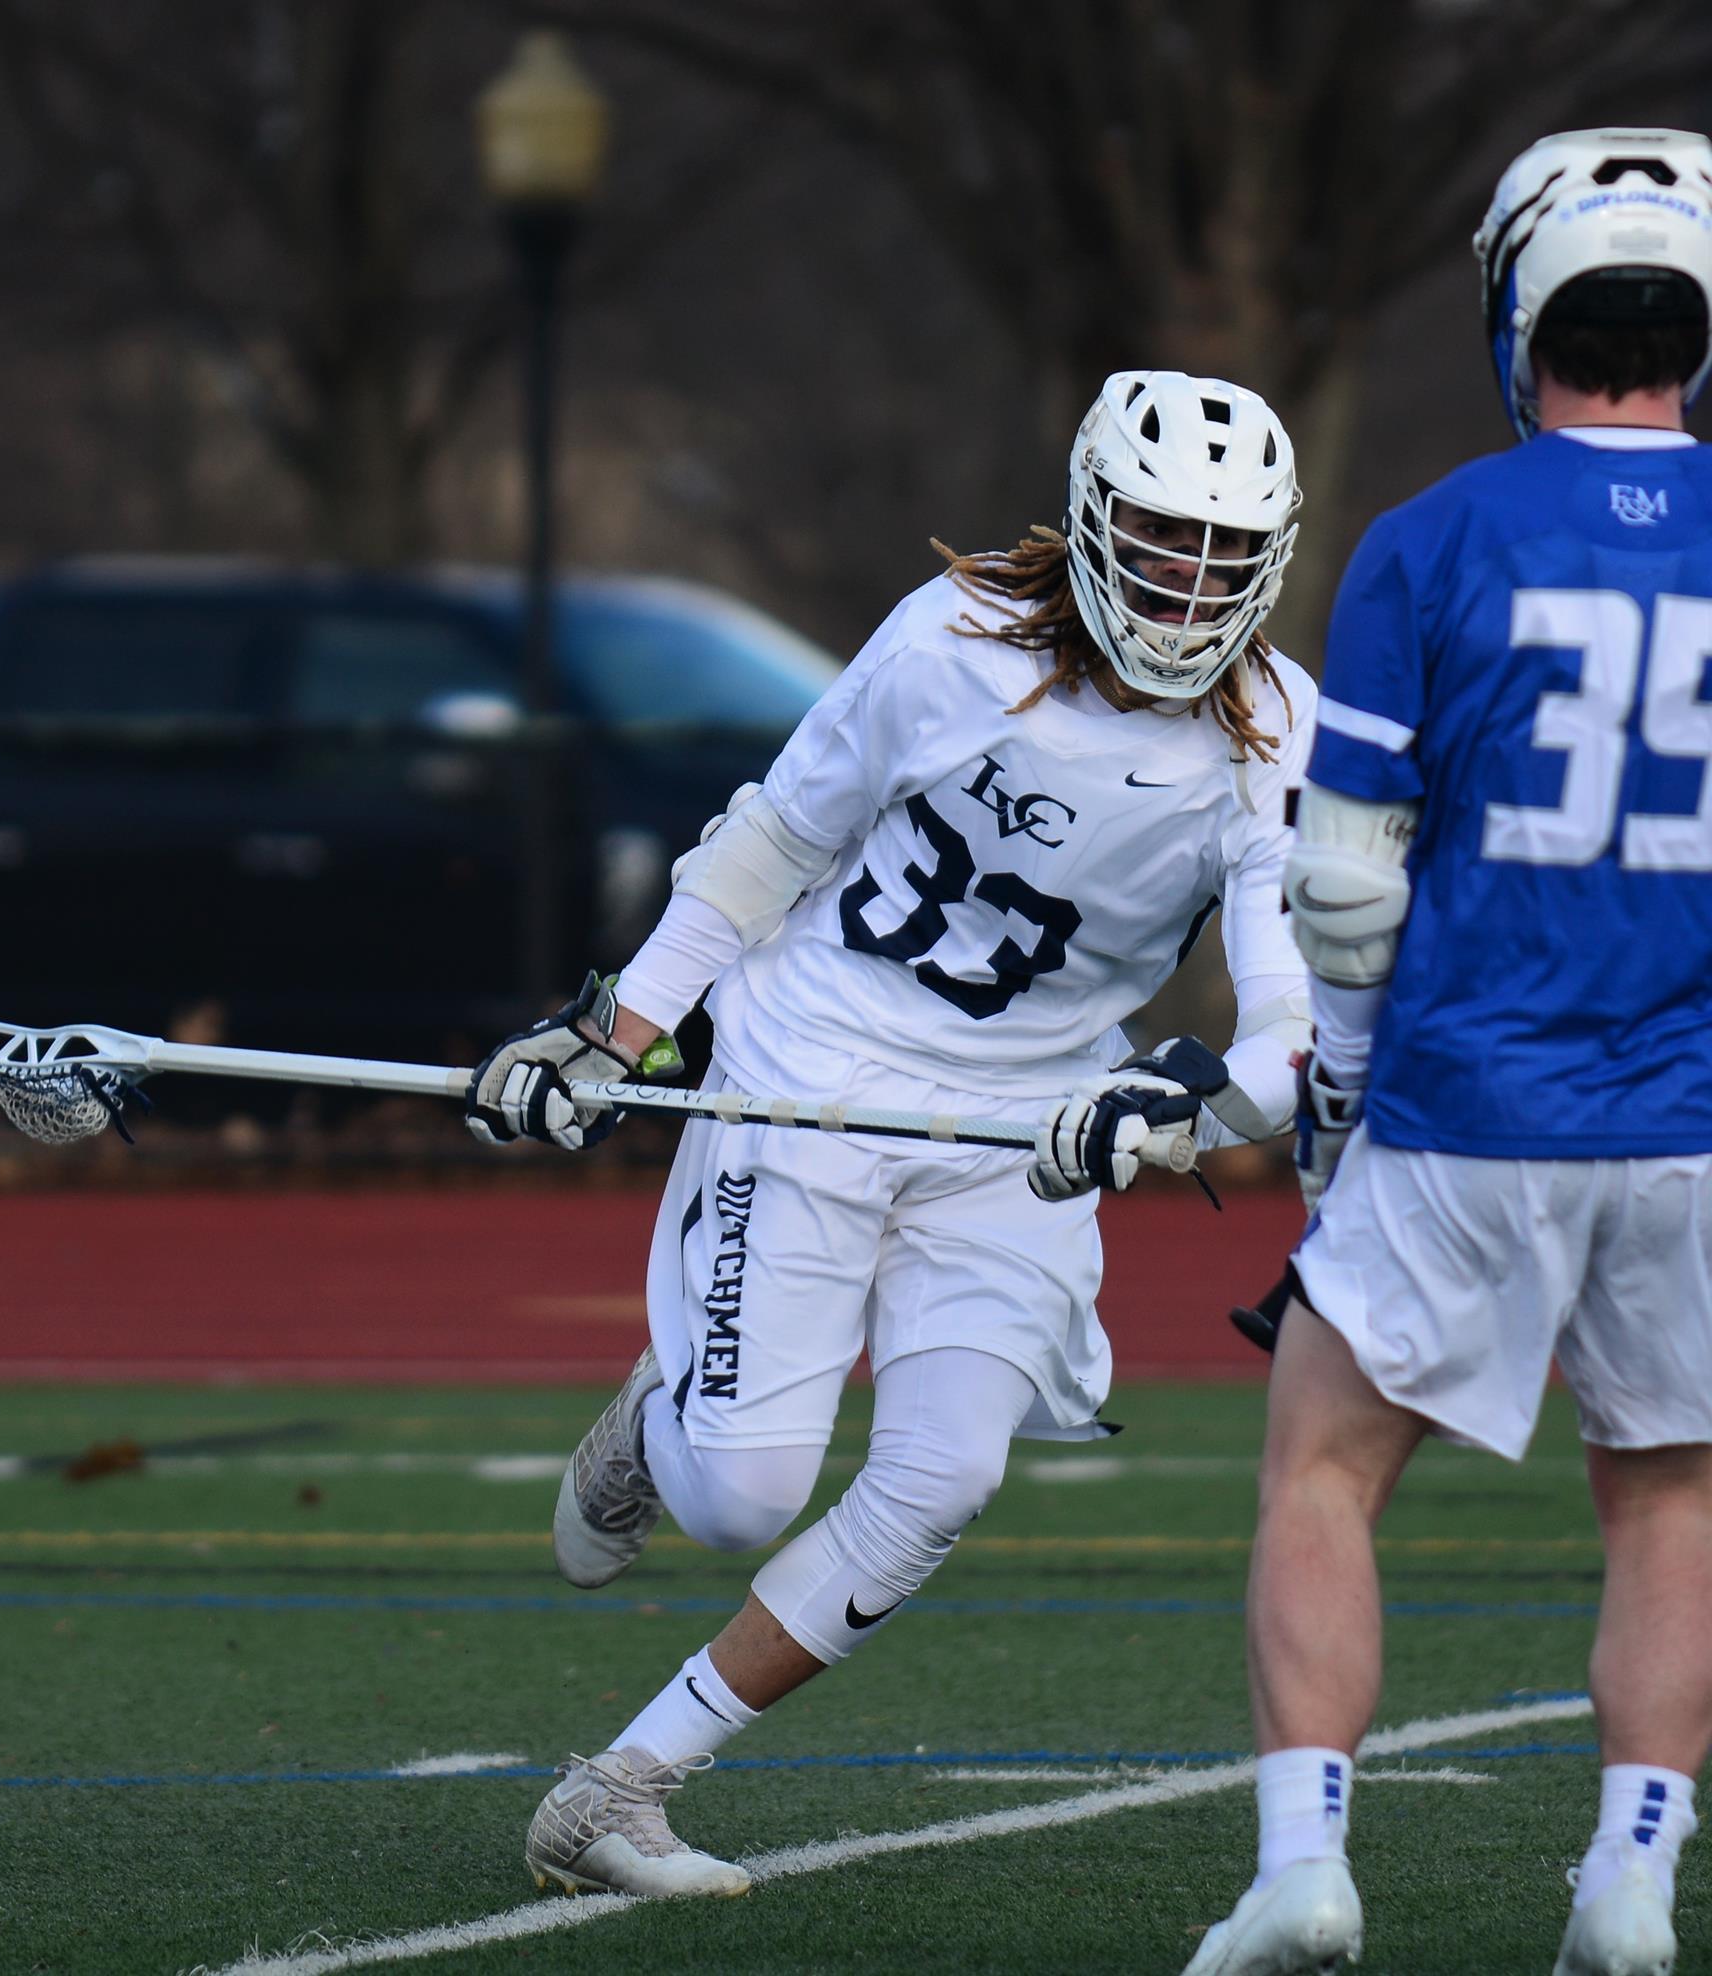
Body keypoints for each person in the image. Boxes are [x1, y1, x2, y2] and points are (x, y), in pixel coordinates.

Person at [465, 369, 1315, 1899]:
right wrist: (623, 1028)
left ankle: (621, 1789)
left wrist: (1179, 1104)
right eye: (1160, 539)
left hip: (1028, 1129)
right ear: (1091, 521)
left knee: (941, 1476)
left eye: (1220, 554)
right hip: (818, 1065)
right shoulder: (950, 643)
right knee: (739, 1497)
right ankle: (661, 1422)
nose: (1187, 586)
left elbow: (1283, 1037)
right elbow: (778, 837)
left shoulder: (1274, 739)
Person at [1185, 129, 1712, 1976]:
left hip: (1472, 1100)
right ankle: (1633, 1885)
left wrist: (1338, 1082)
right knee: (1672, 1496)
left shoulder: (1429, 540)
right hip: (1695, 1125)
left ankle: (1305, 1869)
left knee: (1324, 1470)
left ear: (1526, 310)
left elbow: (1343, 886)